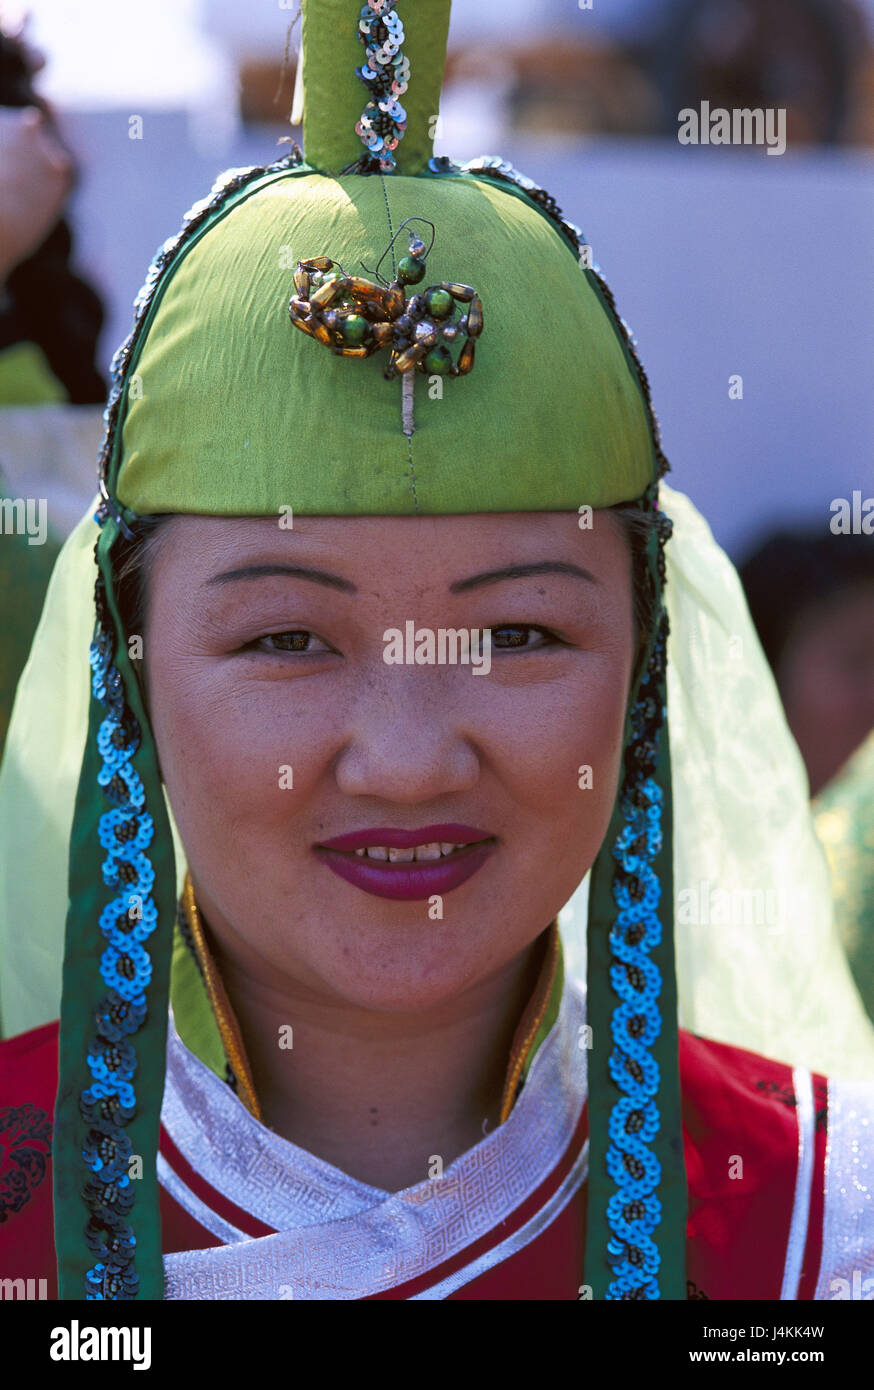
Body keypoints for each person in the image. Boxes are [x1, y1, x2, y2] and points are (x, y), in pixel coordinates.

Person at [1, 0, 873, 1302]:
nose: (407, 759)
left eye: (518, 631)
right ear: (125, 668)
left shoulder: (821, 1226)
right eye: (286, 636)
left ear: (645, 665)